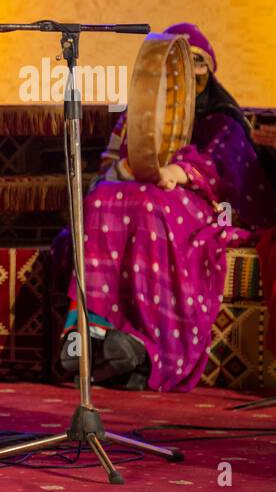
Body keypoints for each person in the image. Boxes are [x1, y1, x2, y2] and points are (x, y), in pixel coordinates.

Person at [57, 22, 276, 391]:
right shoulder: (135, 119)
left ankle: (147, 346)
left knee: (156, 207)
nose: (190, 70)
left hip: (200, 205)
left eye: (199, 62)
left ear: (209, 70)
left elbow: (231, 178)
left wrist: (183, 171)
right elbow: (110, 166)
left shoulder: (222, 121)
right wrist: (127, 168)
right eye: (182, 62)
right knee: (99, 199)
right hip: (138, 191)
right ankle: (87, 331)